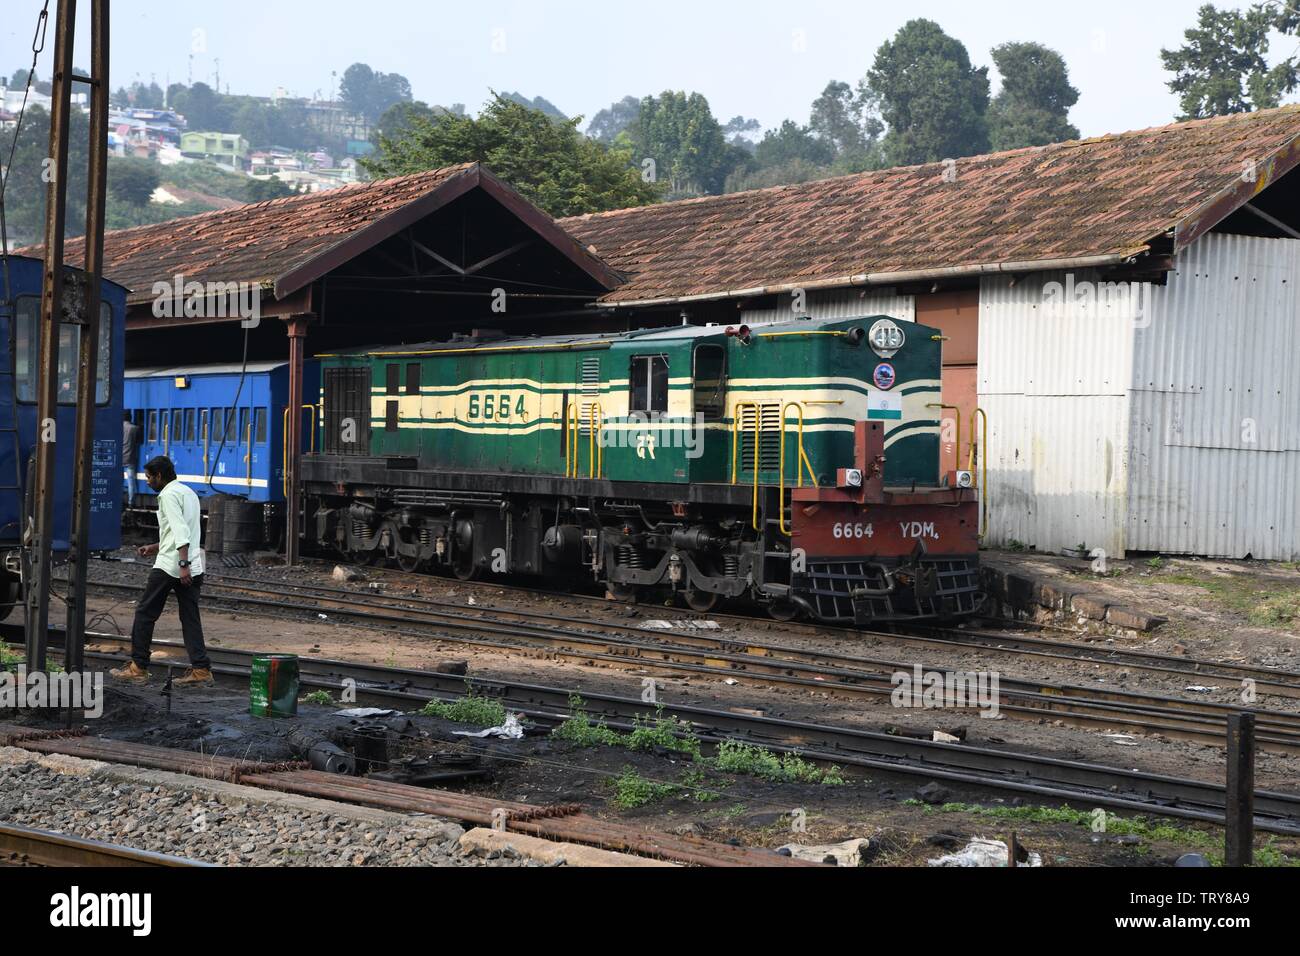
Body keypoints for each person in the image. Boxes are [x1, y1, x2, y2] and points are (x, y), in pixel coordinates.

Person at [110, 456, 213, 687]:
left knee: (145, 613)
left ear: (159, 476)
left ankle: (138, 667)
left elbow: (180, 530)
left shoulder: (167, 495)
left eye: (148, 477)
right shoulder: (189, 493)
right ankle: (201, 669)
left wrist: (182, 565)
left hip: (172, 565)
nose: (147, 481)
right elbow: (182, 530)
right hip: (194, 564)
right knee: (190, 618)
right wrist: (156, 546)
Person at [122, 413, 142, 507]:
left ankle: (120, 500)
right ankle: (131, 501)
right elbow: (139, 441)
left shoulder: (118, 427)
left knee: (119, 480)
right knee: (131, 481)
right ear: (130, 418)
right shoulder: (134, 428)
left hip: (119, 458)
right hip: (130, 458)